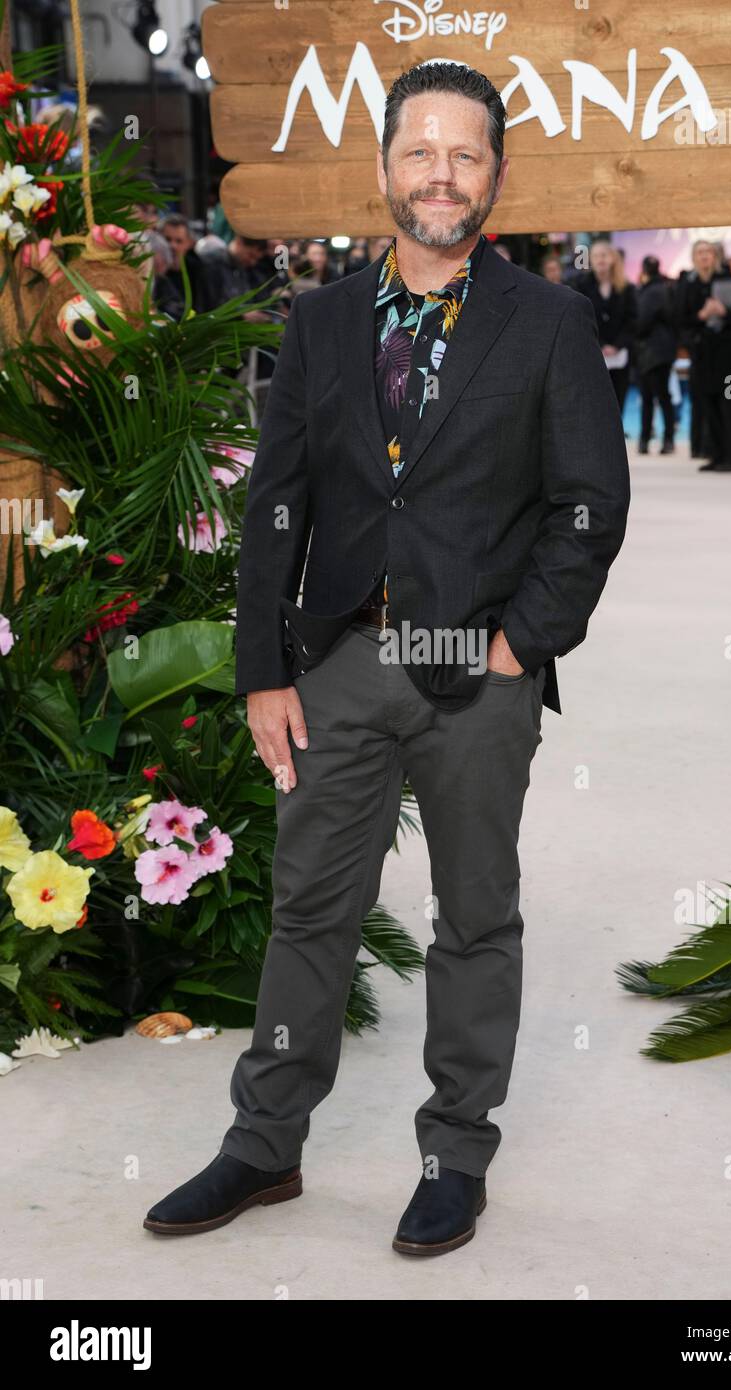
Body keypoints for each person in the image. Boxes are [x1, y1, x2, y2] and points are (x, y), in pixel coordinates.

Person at [144, 59, 630, 1255]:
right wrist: (265, 667)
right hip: (341, 665)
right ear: (382, 171)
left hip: (481, 670)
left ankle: (453, 1154)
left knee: (473, 918)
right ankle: (263, 1146)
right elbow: (278, 504)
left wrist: (523, 641)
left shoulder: (550, 323)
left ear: (495, 178)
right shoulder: (314, 321)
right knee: (308, 911)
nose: (440, 175)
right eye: (419, 152)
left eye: (464, 155)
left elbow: (588, 505)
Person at [675, 240, 731, 472]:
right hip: (703, 355)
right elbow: (679, 319)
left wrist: (724, 312)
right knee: (708, 404)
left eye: (708, 252)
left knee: (730, 404)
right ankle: (716, 454)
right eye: (700, 252)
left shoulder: (727, 279)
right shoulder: (688, 284)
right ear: (694, 257)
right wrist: (702, 315)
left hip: (727, 356)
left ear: (715, 256)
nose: (704, 256)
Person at [573, 238, 637, 415]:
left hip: (620, 354)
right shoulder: (582, 286)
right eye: (596, 256)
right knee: (595, 405)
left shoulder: (627, 288)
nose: (600, 260)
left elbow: (632, 321)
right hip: (593, 353)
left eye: (604, 255)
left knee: (618, 404)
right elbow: (580, 320)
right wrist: (600, 345)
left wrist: (616, 345)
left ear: (613, 258)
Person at [635, 255, 677, 454]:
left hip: (652, 352)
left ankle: (647, 439)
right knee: (662, 397)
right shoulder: (663, 288)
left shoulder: (651, 291)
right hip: (661, 351)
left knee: (651, 397)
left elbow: (642, 321)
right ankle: (665, 439)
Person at [158, 214, 222, 314]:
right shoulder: (154, 272)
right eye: (167, 239)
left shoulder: (200, 272)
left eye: (179, 241)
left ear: (189, 243)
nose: (172, 246)